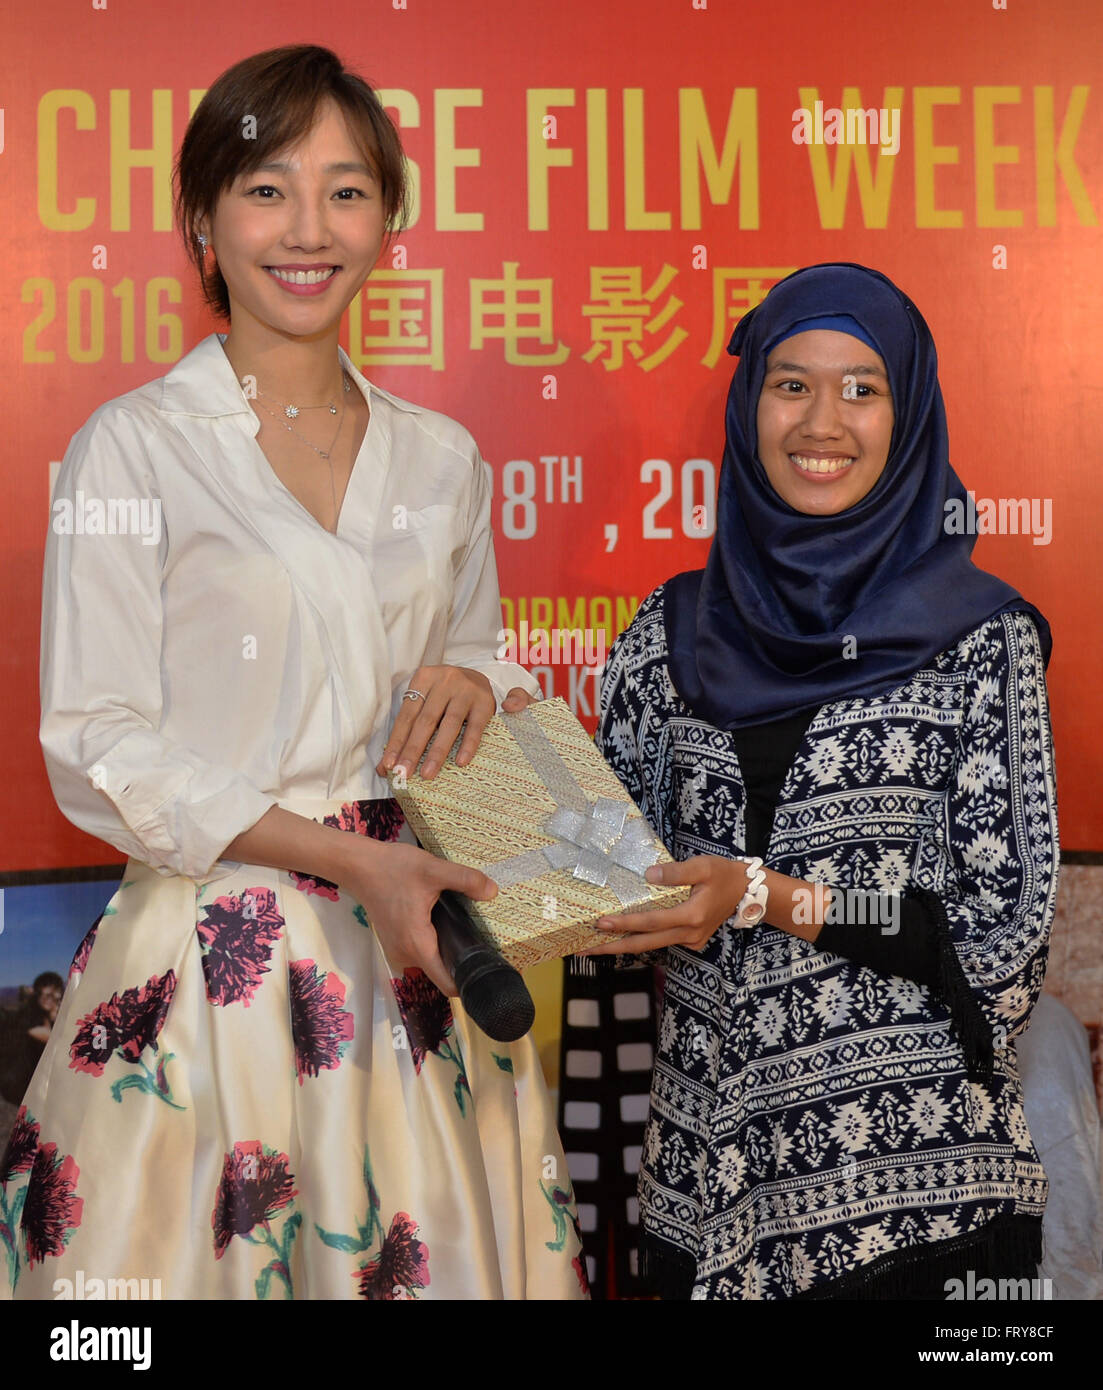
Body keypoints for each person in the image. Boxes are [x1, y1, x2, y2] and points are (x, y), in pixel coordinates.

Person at [0, 45, 587, 1301]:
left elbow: (475, 662)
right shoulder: (133, 449)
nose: (307, 229)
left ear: (389, 219)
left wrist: (480, 686)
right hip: (218, 960)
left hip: (424, 957)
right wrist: (343, 856)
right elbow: (96, 739)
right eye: (267, 189)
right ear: (202, 218)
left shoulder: (442, 459)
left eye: (346, 190)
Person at [584, 263, 1059, 1299]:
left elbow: (1002, 942)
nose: (822, 422)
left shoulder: (982, 640)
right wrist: (479, 729)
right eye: (790, 383)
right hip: (700, 1197)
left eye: (861, 388)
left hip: (920, 1209)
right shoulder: (666, 633)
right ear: (748, 401)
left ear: (908, 412)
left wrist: (770, 899)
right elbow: (597, 879)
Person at [0, 974, 63, 1107]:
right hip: (18, 1082)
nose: (49, 1000)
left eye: (54, 996)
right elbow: (54, 1041)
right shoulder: (29, 1016)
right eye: (45, 995)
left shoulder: (43, 1014)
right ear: (37, 994)